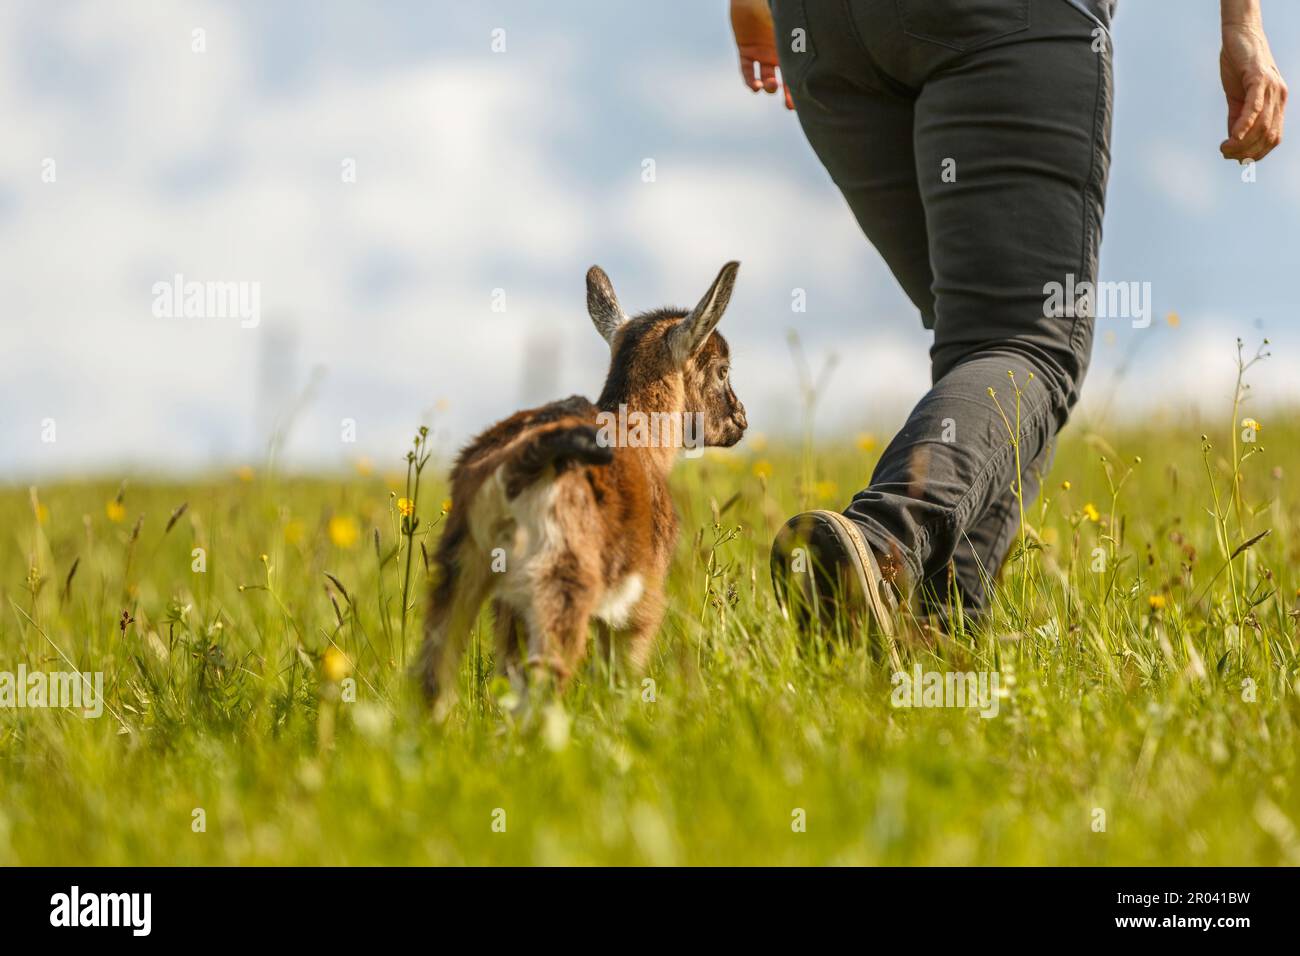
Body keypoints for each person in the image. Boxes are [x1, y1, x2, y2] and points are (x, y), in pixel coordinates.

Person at [734, 0, 1287, 632]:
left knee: (981, 349)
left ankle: (936, 643)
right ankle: (880, 542)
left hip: (827, 34)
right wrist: (1243, 26)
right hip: (998, 19)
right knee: (1026, 338)